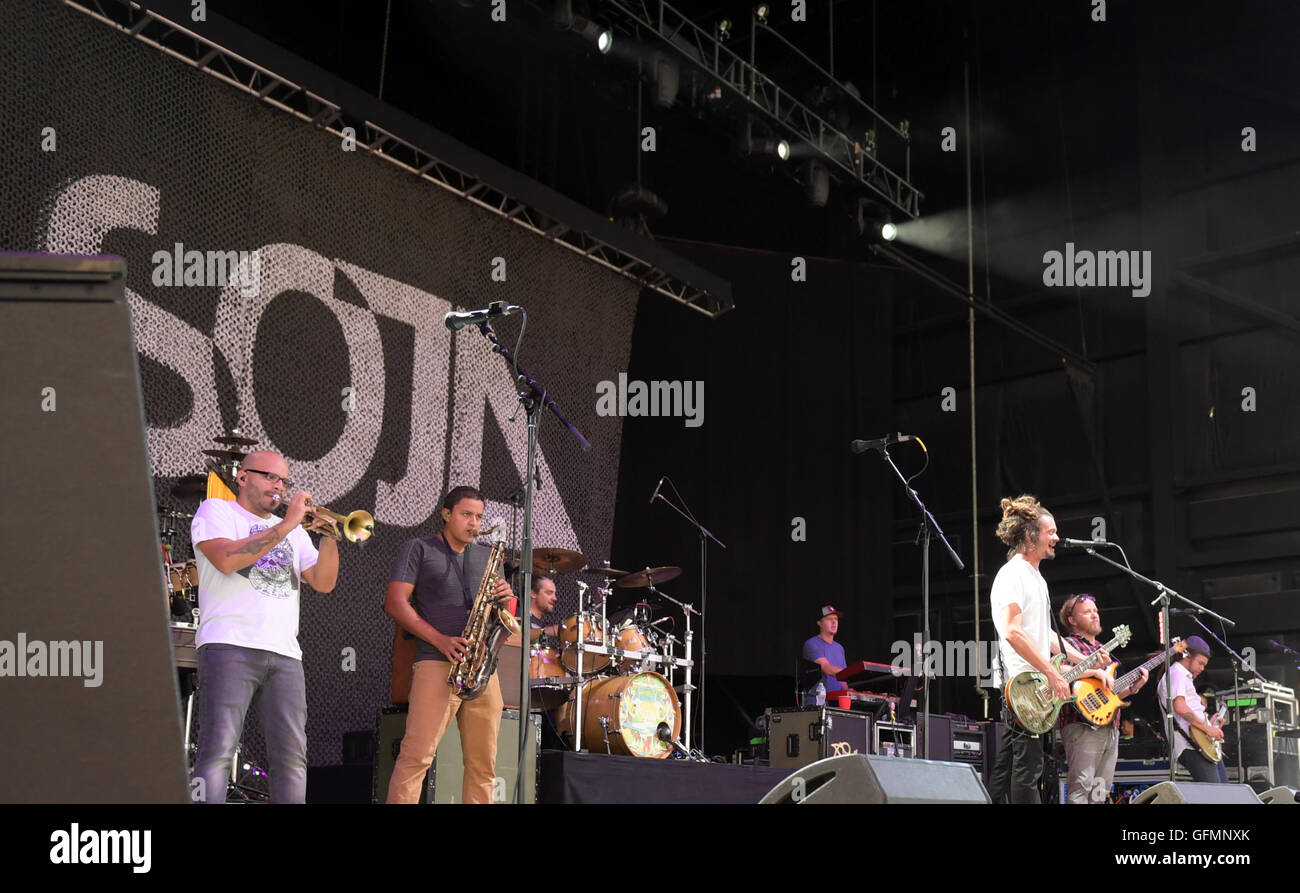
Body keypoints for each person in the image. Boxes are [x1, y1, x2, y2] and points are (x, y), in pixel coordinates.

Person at [190, 450, 341, 803]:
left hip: (285, 655)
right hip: (229, 645)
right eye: (271, 478)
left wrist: (331, 536)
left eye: (284, 481)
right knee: (217, 753)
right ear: (243, 478)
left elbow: (323, 582)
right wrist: (287, 523)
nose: (280, 487)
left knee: (291, 759)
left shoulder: (296, 533)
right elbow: (227, 560)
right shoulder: (217, 511)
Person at [384, 486, 516, 804]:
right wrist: (440, 640)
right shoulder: (419, 548)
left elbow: (506, 614)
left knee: (484, 767)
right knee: (416, 759)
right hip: (436, 661)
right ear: (446, 514)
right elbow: (395, 603)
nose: (474, 523)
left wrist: (508, 598)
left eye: (479, 517)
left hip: (482, 669)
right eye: (466, 514)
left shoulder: (488, 557)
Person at [987, 494, 1071, 804]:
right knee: (1028, 768)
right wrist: (1052, 672)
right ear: (1029, 535)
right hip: (1023, 687)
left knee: (1008, 764)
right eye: (1051, 532)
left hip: (1035, 685)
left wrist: (1078, 657)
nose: (1056, 538)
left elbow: (1042, 634)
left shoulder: (1036, 577)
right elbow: (1012, 632)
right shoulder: (1013, 575)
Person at [1056, 594, 1148, 804]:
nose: (1095, 615)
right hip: (1081, 724)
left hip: (1110, 726)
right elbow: (1057, 670)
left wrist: (1133, 688)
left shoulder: (1104, 652)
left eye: (1095, 611)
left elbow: (1109, 694)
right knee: (1081, 788)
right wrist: (1093, 671)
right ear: (1072, 620)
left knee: (1100, 791)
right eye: (1087, 612)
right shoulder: (1067, 645)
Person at [1155, 635, 1228, 783]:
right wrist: (1208, 729)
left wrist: (1209, 723)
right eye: (1200, 663)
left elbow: (1187, 709)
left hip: (1200, 743)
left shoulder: (1183, 676)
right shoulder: (1176, 674)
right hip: (1191, 745)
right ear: (1188, 656)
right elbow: (1180, 707)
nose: (1202, 668)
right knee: (1216, 796)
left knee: (1224, 791)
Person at [801, 605, 847, 704]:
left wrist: (850, 693)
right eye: (829, 619)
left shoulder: (840, 648)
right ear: (820, 623)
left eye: (836, 619)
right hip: (816, 703)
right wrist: (852, 673)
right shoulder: (811, 644)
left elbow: (843, 681)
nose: (834, 622)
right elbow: (826, 668)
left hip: (836, 703)